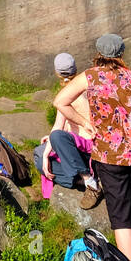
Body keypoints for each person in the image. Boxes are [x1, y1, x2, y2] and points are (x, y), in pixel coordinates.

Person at [54, 33, 131, 261]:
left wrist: (85, 123)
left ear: (98, 53)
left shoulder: (89, 76)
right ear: (121, 54)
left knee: (121, 219)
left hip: (110, 155)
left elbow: (60, 101)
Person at [33, 53, 98, 199]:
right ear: (75, 69)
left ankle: (83, 181)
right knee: (49, 144)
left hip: (82, 149)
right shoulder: (89, 86)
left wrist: (46, 154)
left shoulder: (66, 95)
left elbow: (58, 127)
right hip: (93, 145)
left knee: (39, 157)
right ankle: (87, 178)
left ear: (57, 73)